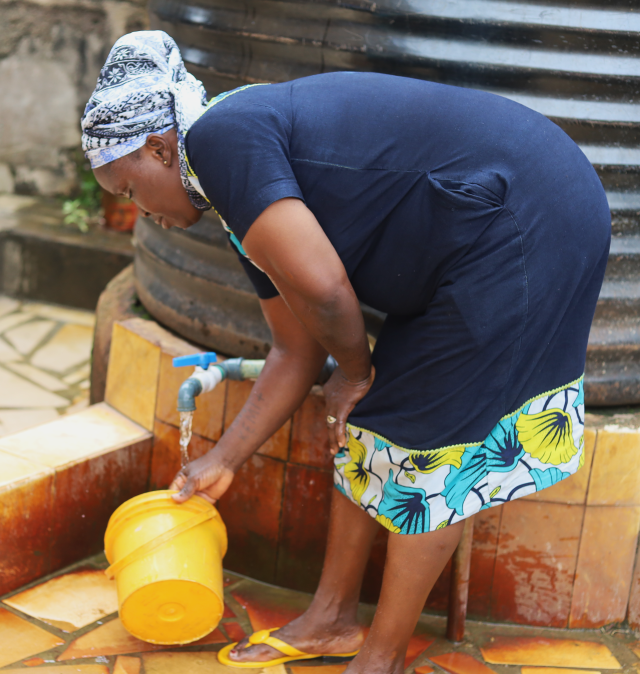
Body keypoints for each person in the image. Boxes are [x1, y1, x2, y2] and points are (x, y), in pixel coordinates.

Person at [82, 31, 610, 674]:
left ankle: (379, 660)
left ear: (160, 148)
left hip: (526, 218)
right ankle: (331, 620)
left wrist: (355, 372)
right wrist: (221, 460)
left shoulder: (222, 141)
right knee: (365, 420)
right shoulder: (233, 194)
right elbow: (295, 352)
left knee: (435, 447)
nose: (142, 214)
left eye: (130, 191)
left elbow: (330, 294)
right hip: (473, 233)